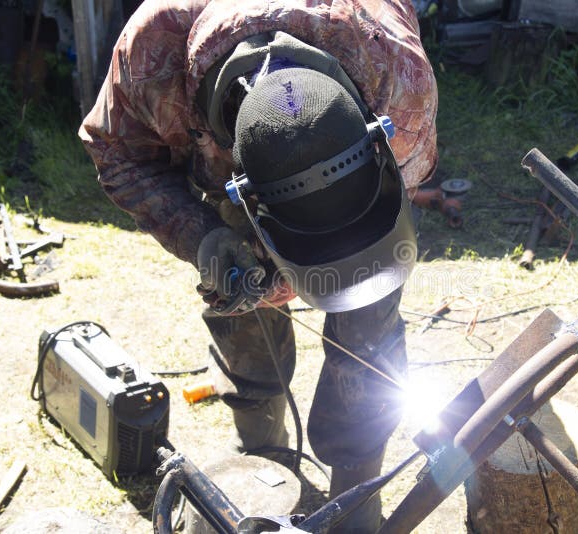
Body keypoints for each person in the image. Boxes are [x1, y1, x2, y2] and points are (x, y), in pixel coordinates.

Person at [79, 1, 437, 531]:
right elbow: (117, 152)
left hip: (357, 165)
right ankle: (262, 463)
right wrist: (205, 236)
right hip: (233, 184)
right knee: (239, 298)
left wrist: (326, 259)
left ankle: (358, 489)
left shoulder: (398, 81)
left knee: (368, 323)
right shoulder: (153, 55)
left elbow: (388, 197)